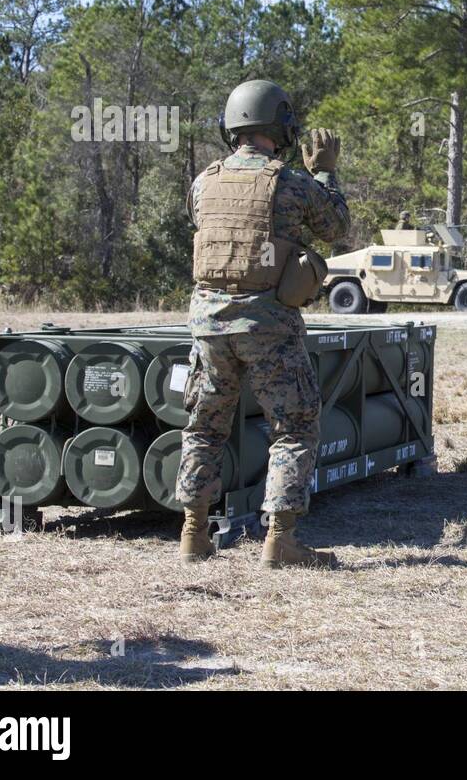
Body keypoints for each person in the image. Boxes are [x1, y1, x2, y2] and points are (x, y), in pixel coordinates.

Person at [176, 79, 351, 569]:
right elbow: (336, 226)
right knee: (293, 427)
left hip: (208, 323)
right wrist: (326, 176)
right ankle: (281, 540)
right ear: (281, 123)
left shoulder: (203, 181)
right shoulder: (291, 182)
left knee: (204, 425)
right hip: (268, 323)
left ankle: (193, 533)